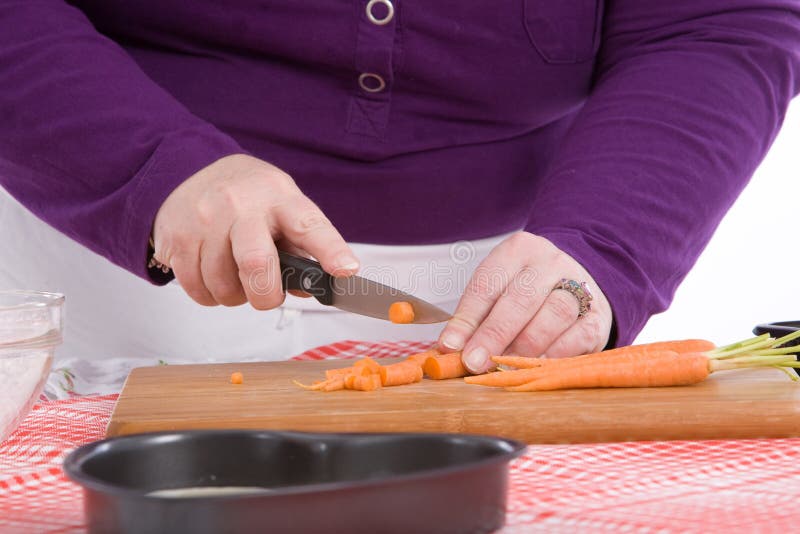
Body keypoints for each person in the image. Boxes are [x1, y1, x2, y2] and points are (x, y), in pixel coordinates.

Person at [1, 1, 798, 387]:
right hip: (113, 261)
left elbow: (718, 22)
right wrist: (151, 164)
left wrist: (609, 239)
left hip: (506, 294)